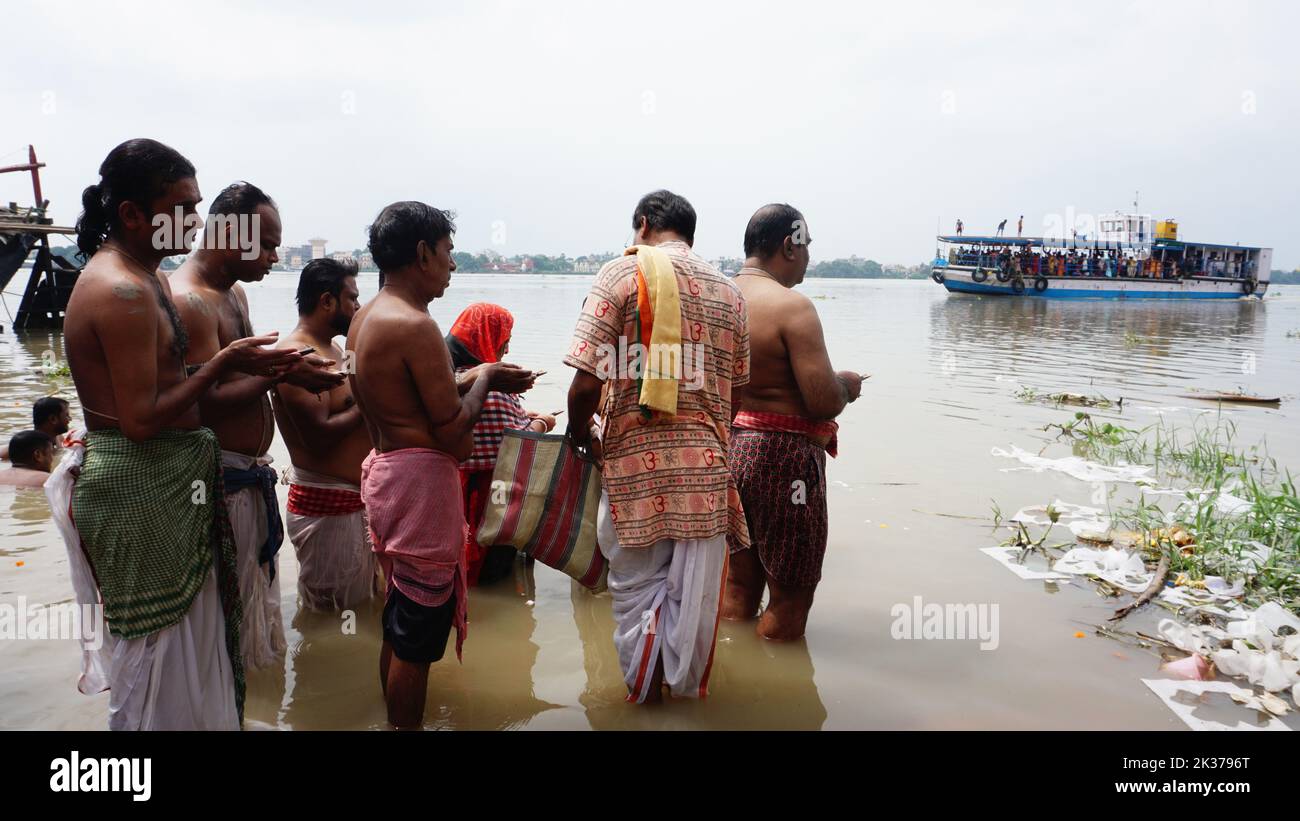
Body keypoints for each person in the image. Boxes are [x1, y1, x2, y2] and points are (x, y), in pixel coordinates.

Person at [61, 138, 304, 730]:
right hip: (141, 489)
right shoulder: (120, 289)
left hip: (167, 485)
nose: (196, 222)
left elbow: (159, 386)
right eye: (185, 207)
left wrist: (252, 366)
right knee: (153, 667)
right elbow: (142, 420)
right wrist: (223, 367)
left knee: (189, 661)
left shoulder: (142, 279)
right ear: (133, 215)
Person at [346, 201, 536, 729]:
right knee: (418, 636)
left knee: (398, 618)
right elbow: (454, 435)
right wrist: (486, 377)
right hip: (419, 486)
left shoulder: (365, 317)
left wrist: (476, 378)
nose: (453, 265)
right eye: (449, 252)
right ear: (423, 252)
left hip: (384, 472)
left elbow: (396, 398)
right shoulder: (416, 324)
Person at [564, 189, 751, 704]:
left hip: (637, 475)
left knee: (636, 597)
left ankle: (646, 705)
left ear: (642, 224)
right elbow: (738, 388)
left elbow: (584, 384)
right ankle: (680, 700)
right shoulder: (730, 293)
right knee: (691, 600)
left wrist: (581, 438)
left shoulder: (622, 274)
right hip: (708, 475)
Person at [172, 181, 345, 671]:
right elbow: (199, 406)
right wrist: (282, 371)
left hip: (251, 477)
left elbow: (244, 371)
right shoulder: (191, 301)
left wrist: (288, 367)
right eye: (266, 244)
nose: (273, 255)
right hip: (218, 484)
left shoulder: (235, 295)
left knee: (255, 623)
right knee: (226, 630)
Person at [722, 205, 861, 640]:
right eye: (807, 247)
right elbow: (821, 401)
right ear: (789, 245)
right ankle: (778, 694)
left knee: (737, 585)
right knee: (791, 597)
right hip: (782, 461)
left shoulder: (715, 297)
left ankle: (733, 674)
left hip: (729, 449)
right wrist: (848, 386)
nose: (808, 259)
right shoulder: (792, 308)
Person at [272, 257, 383, 611]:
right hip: (327, 509)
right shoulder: (296, 353)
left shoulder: (336, 350)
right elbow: (317, 436)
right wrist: (369, 402)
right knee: (330, 618)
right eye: (351, 298)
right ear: (326, 302)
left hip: (353, 505)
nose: (358, 307)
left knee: (360, 610)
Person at [446, 302, 556, 587]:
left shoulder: (447, 377)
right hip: (490, 498)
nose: (506, 349)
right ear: (487, 338)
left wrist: (522, 413)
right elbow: (517, 444)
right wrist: (542, 422)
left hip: (453, 490)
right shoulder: (491, 385)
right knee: (491, 574)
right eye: (504, 340)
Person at [1, 397, 71, 460]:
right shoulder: (27, 445)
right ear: (53, 419)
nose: (70, 419)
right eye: (67, 415)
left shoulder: (58, 437)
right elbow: (2, 455)